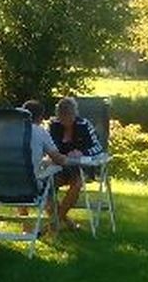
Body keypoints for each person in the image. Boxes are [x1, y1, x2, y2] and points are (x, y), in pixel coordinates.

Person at [48, 96, 103, 229]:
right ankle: (65, 221)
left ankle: (55, 223)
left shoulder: (84, 125)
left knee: (77, 184)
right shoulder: (54, 126)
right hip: (59, 167)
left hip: (81, 167)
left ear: (74, 114)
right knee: (45, 187)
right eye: (62, 117)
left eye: (68, 117)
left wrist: (82, 152)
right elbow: (48, 147)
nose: (65, 121)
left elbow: (98, 148)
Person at [21, 100, 66, 230]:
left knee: (20, 174)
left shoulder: (8, 131)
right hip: (30, 185)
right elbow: (58, 159)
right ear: (40, 118)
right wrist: (70, 159)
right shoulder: (40, 132)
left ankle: (26, 226)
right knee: (49, 182)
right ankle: (55, 223)